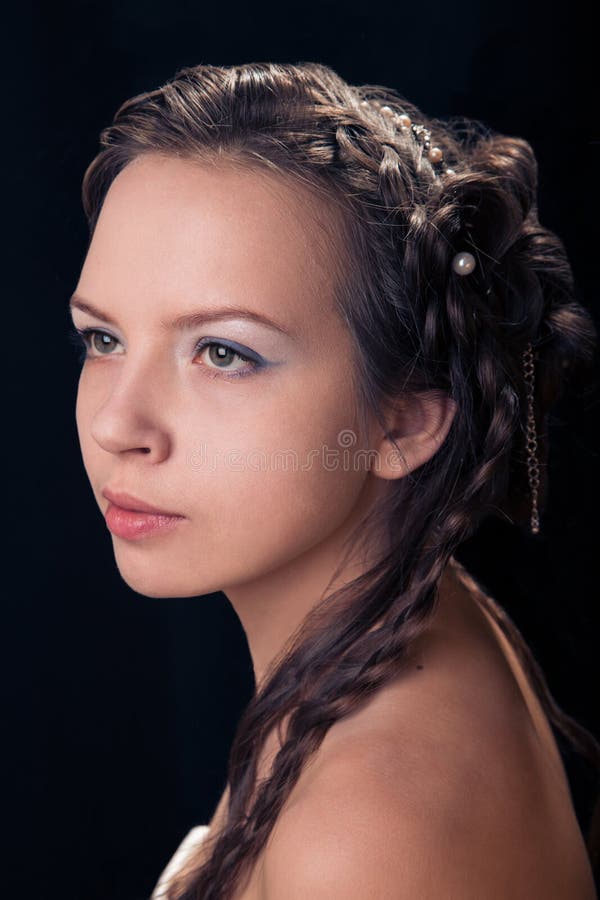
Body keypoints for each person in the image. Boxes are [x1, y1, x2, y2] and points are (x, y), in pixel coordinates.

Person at [69, 61, 600, 899]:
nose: (116, 426)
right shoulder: (406, 623)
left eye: (223, 353)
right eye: (103, 340)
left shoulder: (368, 834)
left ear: (405, 421)